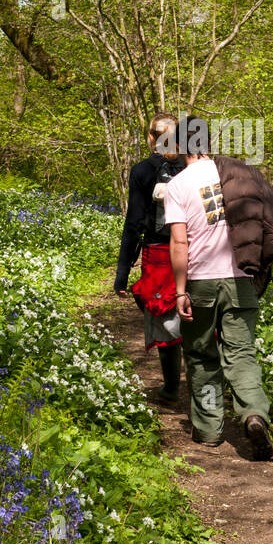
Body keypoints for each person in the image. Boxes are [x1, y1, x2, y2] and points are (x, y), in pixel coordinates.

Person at [165, 116, 273, 461]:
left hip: (200, 282)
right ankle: (254, 414)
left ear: (180, 146)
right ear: (208, 142)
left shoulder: (178, 185)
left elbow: (179, 243)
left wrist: (180, 290)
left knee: (201, 354)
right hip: (241, 277)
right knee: (241, 353)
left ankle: (210, 429)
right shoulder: (238, 175)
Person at [115, 112, 186, 406]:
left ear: (150, 138)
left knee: (164, 315)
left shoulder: (142, 171)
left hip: (158, 253)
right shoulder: (195, 168)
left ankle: (171, 388)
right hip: (196, 250)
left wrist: (122, 271)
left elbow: (134, 224)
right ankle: (206, 388)